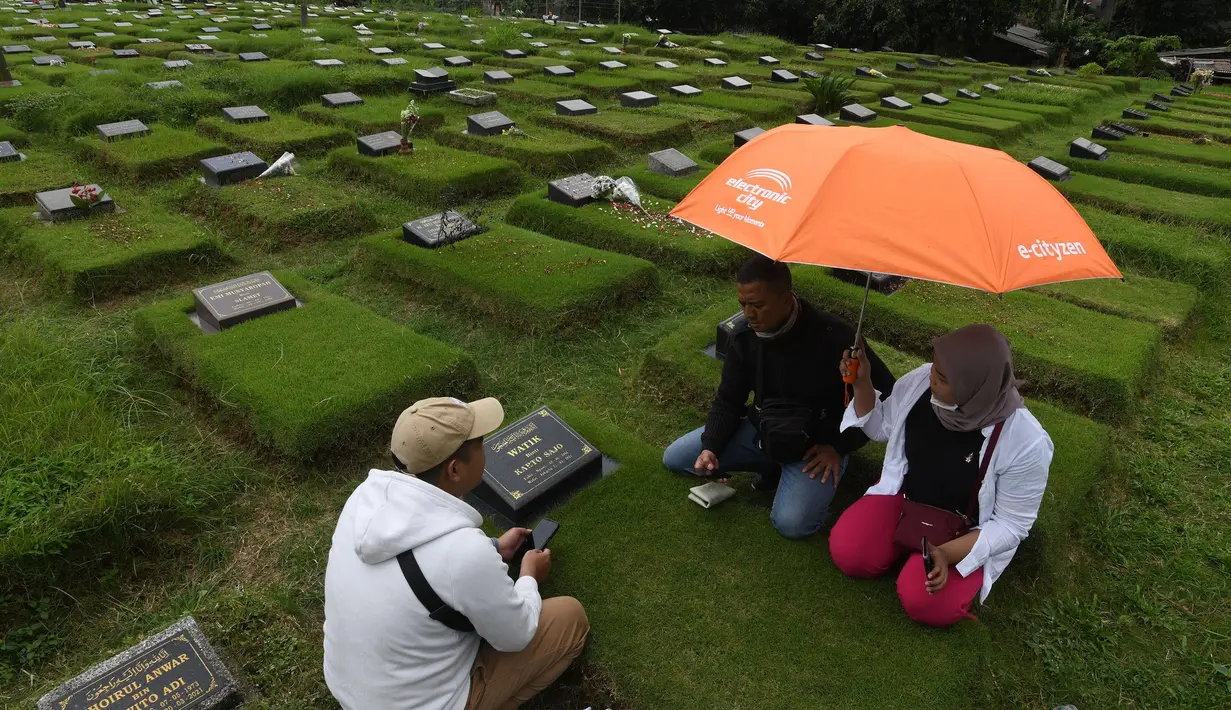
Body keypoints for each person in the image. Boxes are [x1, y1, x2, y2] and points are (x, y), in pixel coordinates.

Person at [323, 397, 589, 710]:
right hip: (419, 704)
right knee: (570, 618)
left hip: (351, 687)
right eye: (479, 444)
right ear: (454, 469)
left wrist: (493, 549)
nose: (485, 448)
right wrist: (529, 576)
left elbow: (422, 555)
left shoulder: (362, 499)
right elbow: (516, 636)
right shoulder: (463, 553)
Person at [829, 325, 1054, 627]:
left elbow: (1012, 525)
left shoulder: (1026, 441)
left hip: (964, 531)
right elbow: (881, 428)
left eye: (944, 378)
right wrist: (862, 384)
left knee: (924, 602)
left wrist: (947, 554)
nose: (932, 378)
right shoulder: (921, 381)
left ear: (977, 385)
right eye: (935, 365)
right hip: (908, 501)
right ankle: (902, 546)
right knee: (849, 552)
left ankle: (918, 560)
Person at [662, 255, 896, 539]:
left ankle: (796, 472)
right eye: (743, 305)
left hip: (815, 448)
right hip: (759, 431)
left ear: (786, 299)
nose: (748, 314)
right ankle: (770, 463)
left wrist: (839, 447)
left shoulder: (837, 336)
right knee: (676, 458)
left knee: (792, 524)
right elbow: (728, 400)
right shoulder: (744, 338)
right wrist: (711, 446)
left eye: (757, 305)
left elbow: (886, 395)